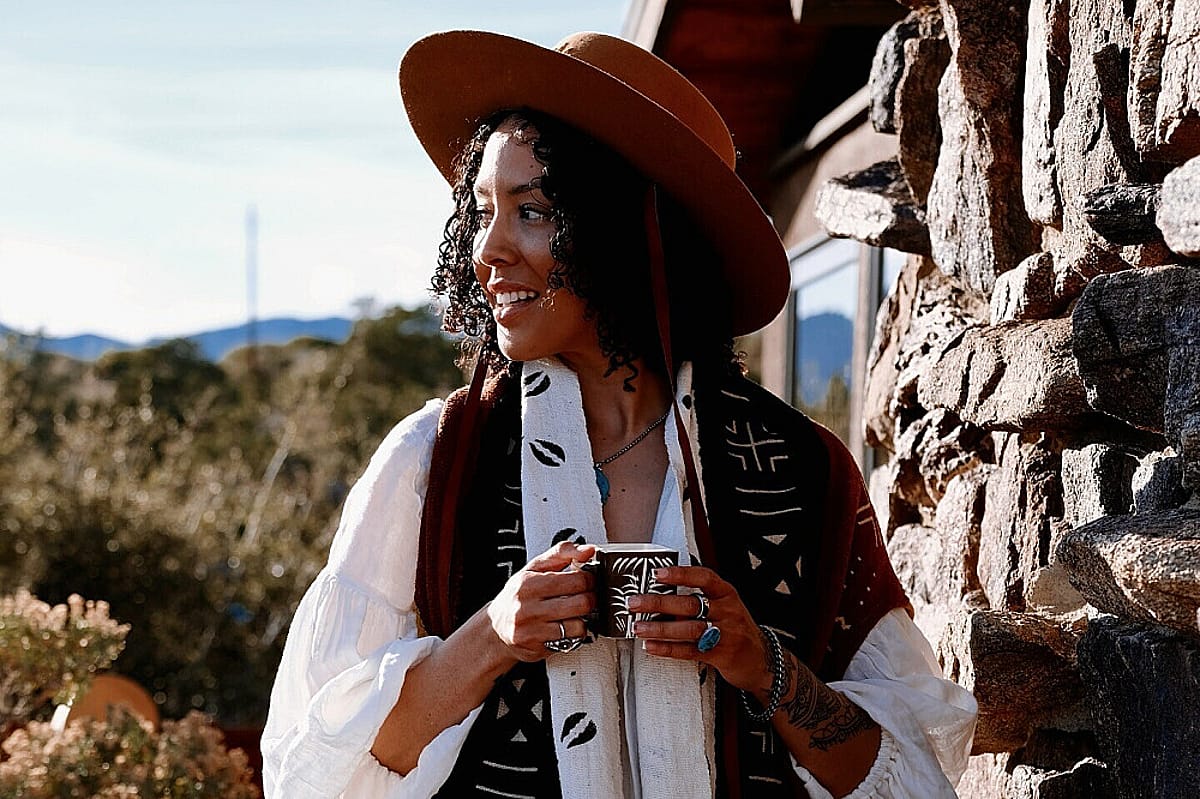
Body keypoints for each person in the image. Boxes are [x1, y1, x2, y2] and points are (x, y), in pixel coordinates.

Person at [262, 30, 976, 799]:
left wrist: (762, 664)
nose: (487, 250)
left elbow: (910, 781)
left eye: (531, 211)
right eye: (482, 212)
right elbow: (315, 774)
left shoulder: (806, 472)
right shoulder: (433, 464)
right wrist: (492, 636)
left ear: (636, 230)